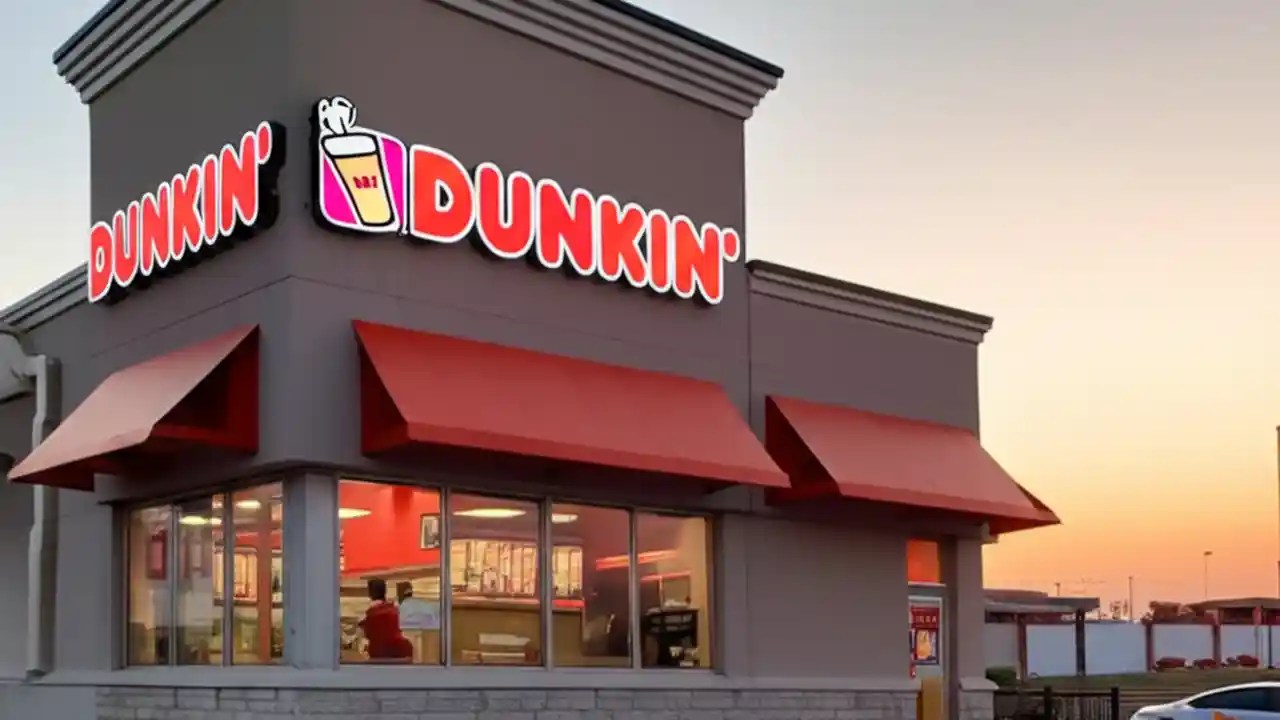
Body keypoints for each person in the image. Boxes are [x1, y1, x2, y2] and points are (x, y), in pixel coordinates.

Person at [358, 578, 412, 661]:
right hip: (402, 652)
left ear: (370, 594)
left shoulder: (368, 615)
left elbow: (365, 636)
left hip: (379, 654)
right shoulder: (395, 610)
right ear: (385, 592)